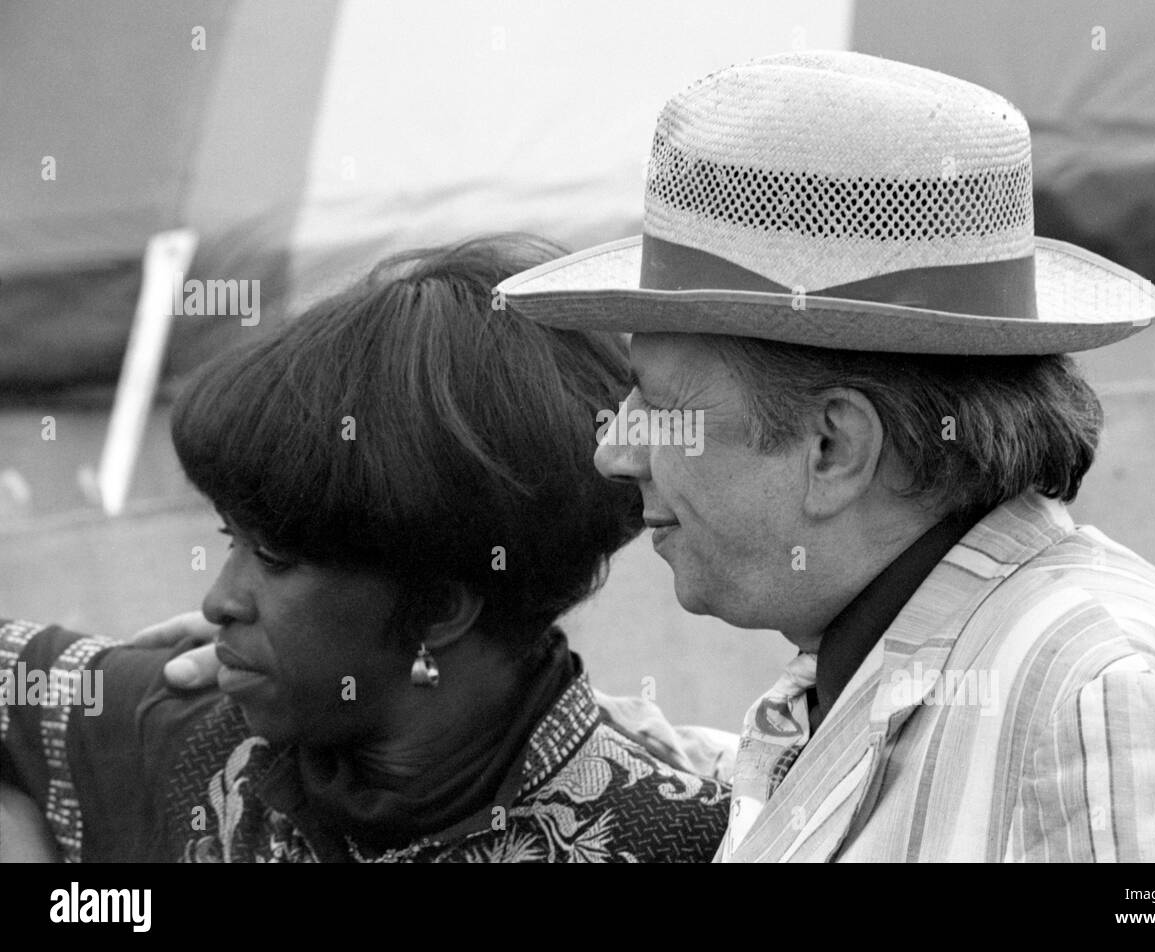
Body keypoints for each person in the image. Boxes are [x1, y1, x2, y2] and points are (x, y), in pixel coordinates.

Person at [497, 51, 1155, 861]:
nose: (616, 449)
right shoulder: (887, 667)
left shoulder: (1095, 711)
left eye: (662, 407)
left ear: (833, 447)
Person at [0, 235, 729, 863]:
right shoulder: (173, 729)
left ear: (437, 609)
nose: (219, 601)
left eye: (276, 559)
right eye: (233, 542)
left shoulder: (703, 840)